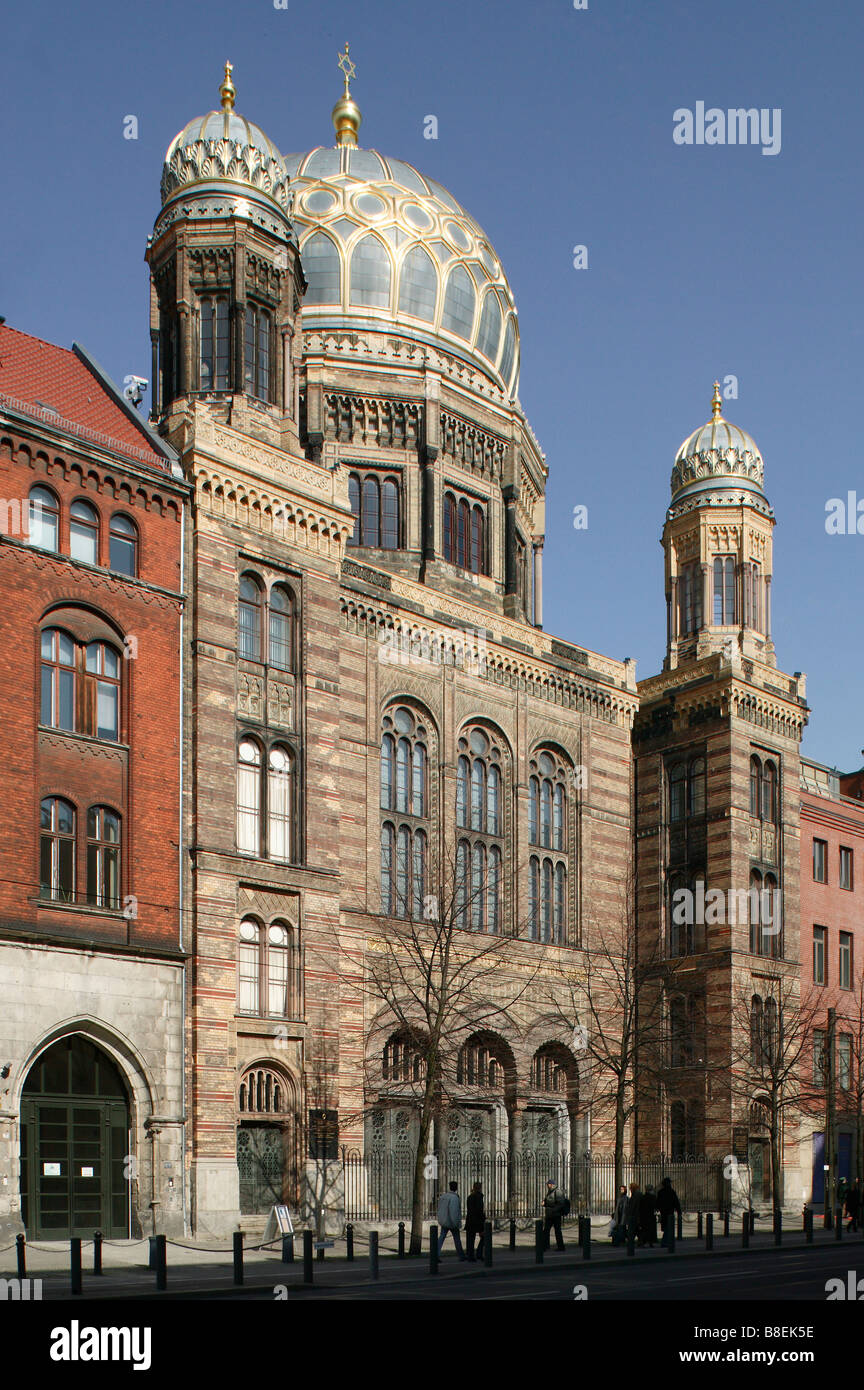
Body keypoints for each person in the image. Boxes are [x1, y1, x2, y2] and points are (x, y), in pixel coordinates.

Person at [436, 1181, 466, 1260]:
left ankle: (436, 1254)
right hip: (452, 1222)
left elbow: (440, 1209)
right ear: (456, 1188)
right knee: (457, 1239)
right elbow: (453, 1211)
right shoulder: (455, 1198)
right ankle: (461, 1255)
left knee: (441, 1237)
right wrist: (455, 1222)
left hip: (444, 1221)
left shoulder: (443, 1196)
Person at [656, 1176, 681, 1248]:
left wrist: (657, 1209)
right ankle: (665, 1242)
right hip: (669, 1212)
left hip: (663, 1212)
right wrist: (679, 1212)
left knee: (666, 1227)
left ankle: (667, 1241)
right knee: (668, 1227)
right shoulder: (671, 1191)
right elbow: (676, 1202)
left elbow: (658, 1202)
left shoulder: (660, 1192)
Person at [542, 1179, 566, 1251]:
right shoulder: (550, 1192)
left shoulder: (557, 1191)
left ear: (551, 1184)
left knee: (557, 1231)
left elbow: (560, 1203)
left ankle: (561, 1247)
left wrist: (554, 1210)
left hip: (556, 1215)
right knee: (546, 1230)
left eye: (548, 1184)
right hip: (549, 1214)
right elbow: (549, 1201)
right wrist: (544, 1203)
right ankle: (545, 1246)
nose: (547, 1185)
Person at [465, 1181, 486, 1261]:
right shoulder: (479, 1197)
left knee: (470, 1239)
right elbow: (480, 1210)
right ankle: (479, 1253)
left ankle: (470, 1255)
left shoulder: (470, 1196)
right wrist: (483, 1220)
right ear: (480, 1188)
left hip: (470, 1220)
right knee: (484, 1237)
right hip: (478, 1221)